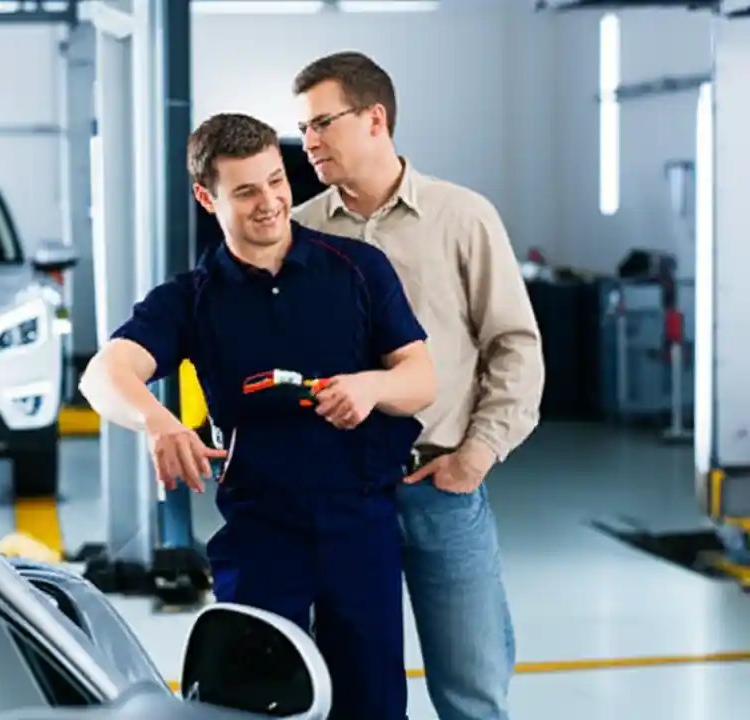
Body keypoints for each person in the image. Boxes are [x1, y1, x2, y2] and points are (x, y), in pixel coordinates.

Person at [79, 111, 437, 719]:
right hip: (260, 532)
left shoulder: (357, 268)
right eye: (245, 190)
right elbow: (103, 374)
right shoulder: (190, 299)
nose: (270, 202)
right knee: (251, 704)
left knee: (373, 703)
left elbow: (421, 379)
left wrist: (372, 387)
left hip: (360, 523)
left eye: (276, 181)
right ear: (206, 196)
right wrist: (159, 423)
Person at [289, 51, 545, 720]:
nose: (309, 141)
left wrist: (478, 454)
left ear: (376, 119)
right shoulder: (302, 233)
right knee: (352, 692)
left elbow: (514, 344)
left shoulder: (461, 217)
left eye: (323, 123)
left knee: (472, 688)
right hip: (340, 495)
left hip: (440, 486)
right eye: (304, 127)